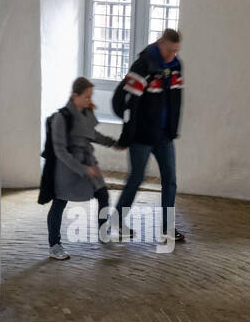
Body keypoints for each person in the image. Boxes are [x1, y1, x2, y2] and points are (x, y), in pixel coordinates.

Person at [112, 28, 184, 244]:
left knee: (170, 180)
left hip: (163, 137)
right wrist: (127, 137)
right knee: (136, 179)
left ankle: (168, 228)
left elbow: (176, 99)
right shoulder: (142, 66)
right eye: (170, 50)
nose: (173, 55)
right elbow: (130, 105)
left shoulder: (175, 66)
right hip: (141, 136)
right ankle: (116, 221)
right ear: (161, 43)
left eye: (176, 51)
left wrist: (172, 129)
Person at [37, 76, 122, 260]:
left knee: (103, 194)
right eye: (86, 96)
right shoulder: (61, 117)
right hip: (66, 168)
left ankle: (103, 233)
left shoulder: (86, 114)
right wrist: (83, 169)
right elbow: (59, 150)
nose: (89, 100)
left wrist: (114, 143)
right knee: (59, 203)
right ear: (75, 95)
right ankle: (54, 245)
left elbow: (93, 135)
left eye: (91, 96)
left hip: (87, 163)